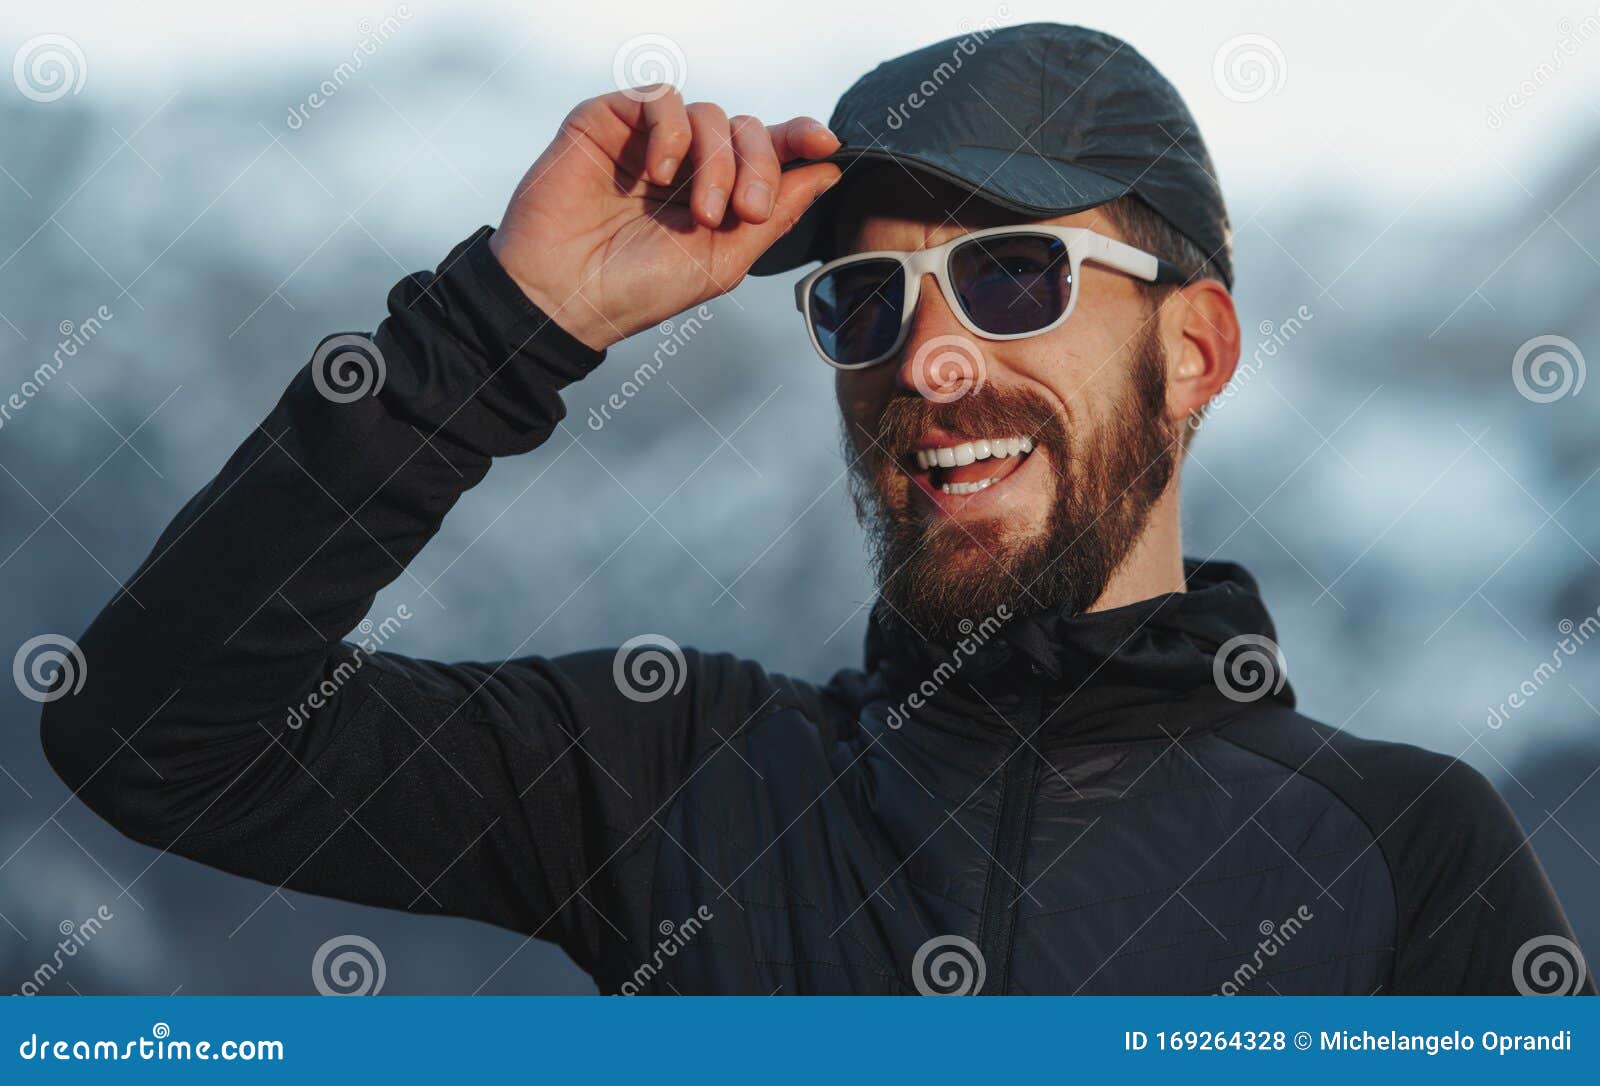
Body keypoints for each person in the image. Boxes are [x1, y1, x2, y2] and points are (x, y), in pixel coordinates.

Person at [41, 23, 1590, 995]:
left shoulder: (1405, 857)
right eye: (863, 299)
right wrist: (509, 321)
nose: (928, 358)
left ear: (1192, 353)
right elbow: (156, 729)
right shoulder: (687, 786)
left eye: (1009, 272)